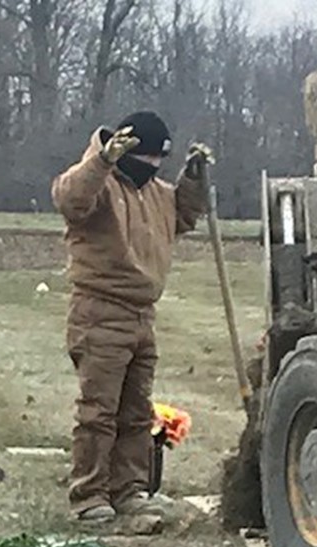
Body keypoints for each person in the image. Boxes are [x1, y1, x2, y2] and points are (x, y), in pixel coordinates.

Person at [51, 111, 212, 525]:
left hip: (143, 315)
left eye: (161, 162)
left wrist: (193, 179)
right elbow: (70, 199)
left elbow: (184, 217)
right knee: (98, 411)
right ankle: (89, 496)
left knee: (136, 413)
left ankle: (129, 490)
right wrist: (102, 161)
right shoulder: (97, 185)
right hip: (100, 311)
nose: (153, 170)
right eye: (147, 161)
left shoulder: (157, 193)